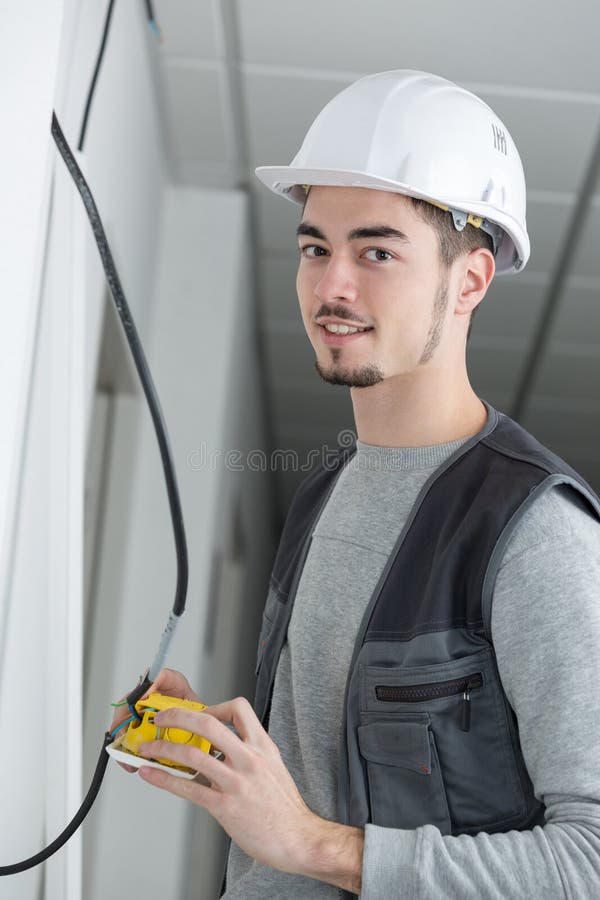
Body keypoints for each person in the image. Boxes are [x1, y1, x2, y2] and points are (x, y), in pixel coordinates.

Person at [113, 70, 600, 898]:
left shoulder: (533, 532)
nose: (332, 286)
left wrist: (313, 844)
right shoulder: (323, 494)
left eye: (377, 251)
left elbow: (588, 861)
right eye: (316, 249)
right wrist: (230, 763)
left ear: (470, 281)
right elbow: (327, 793)